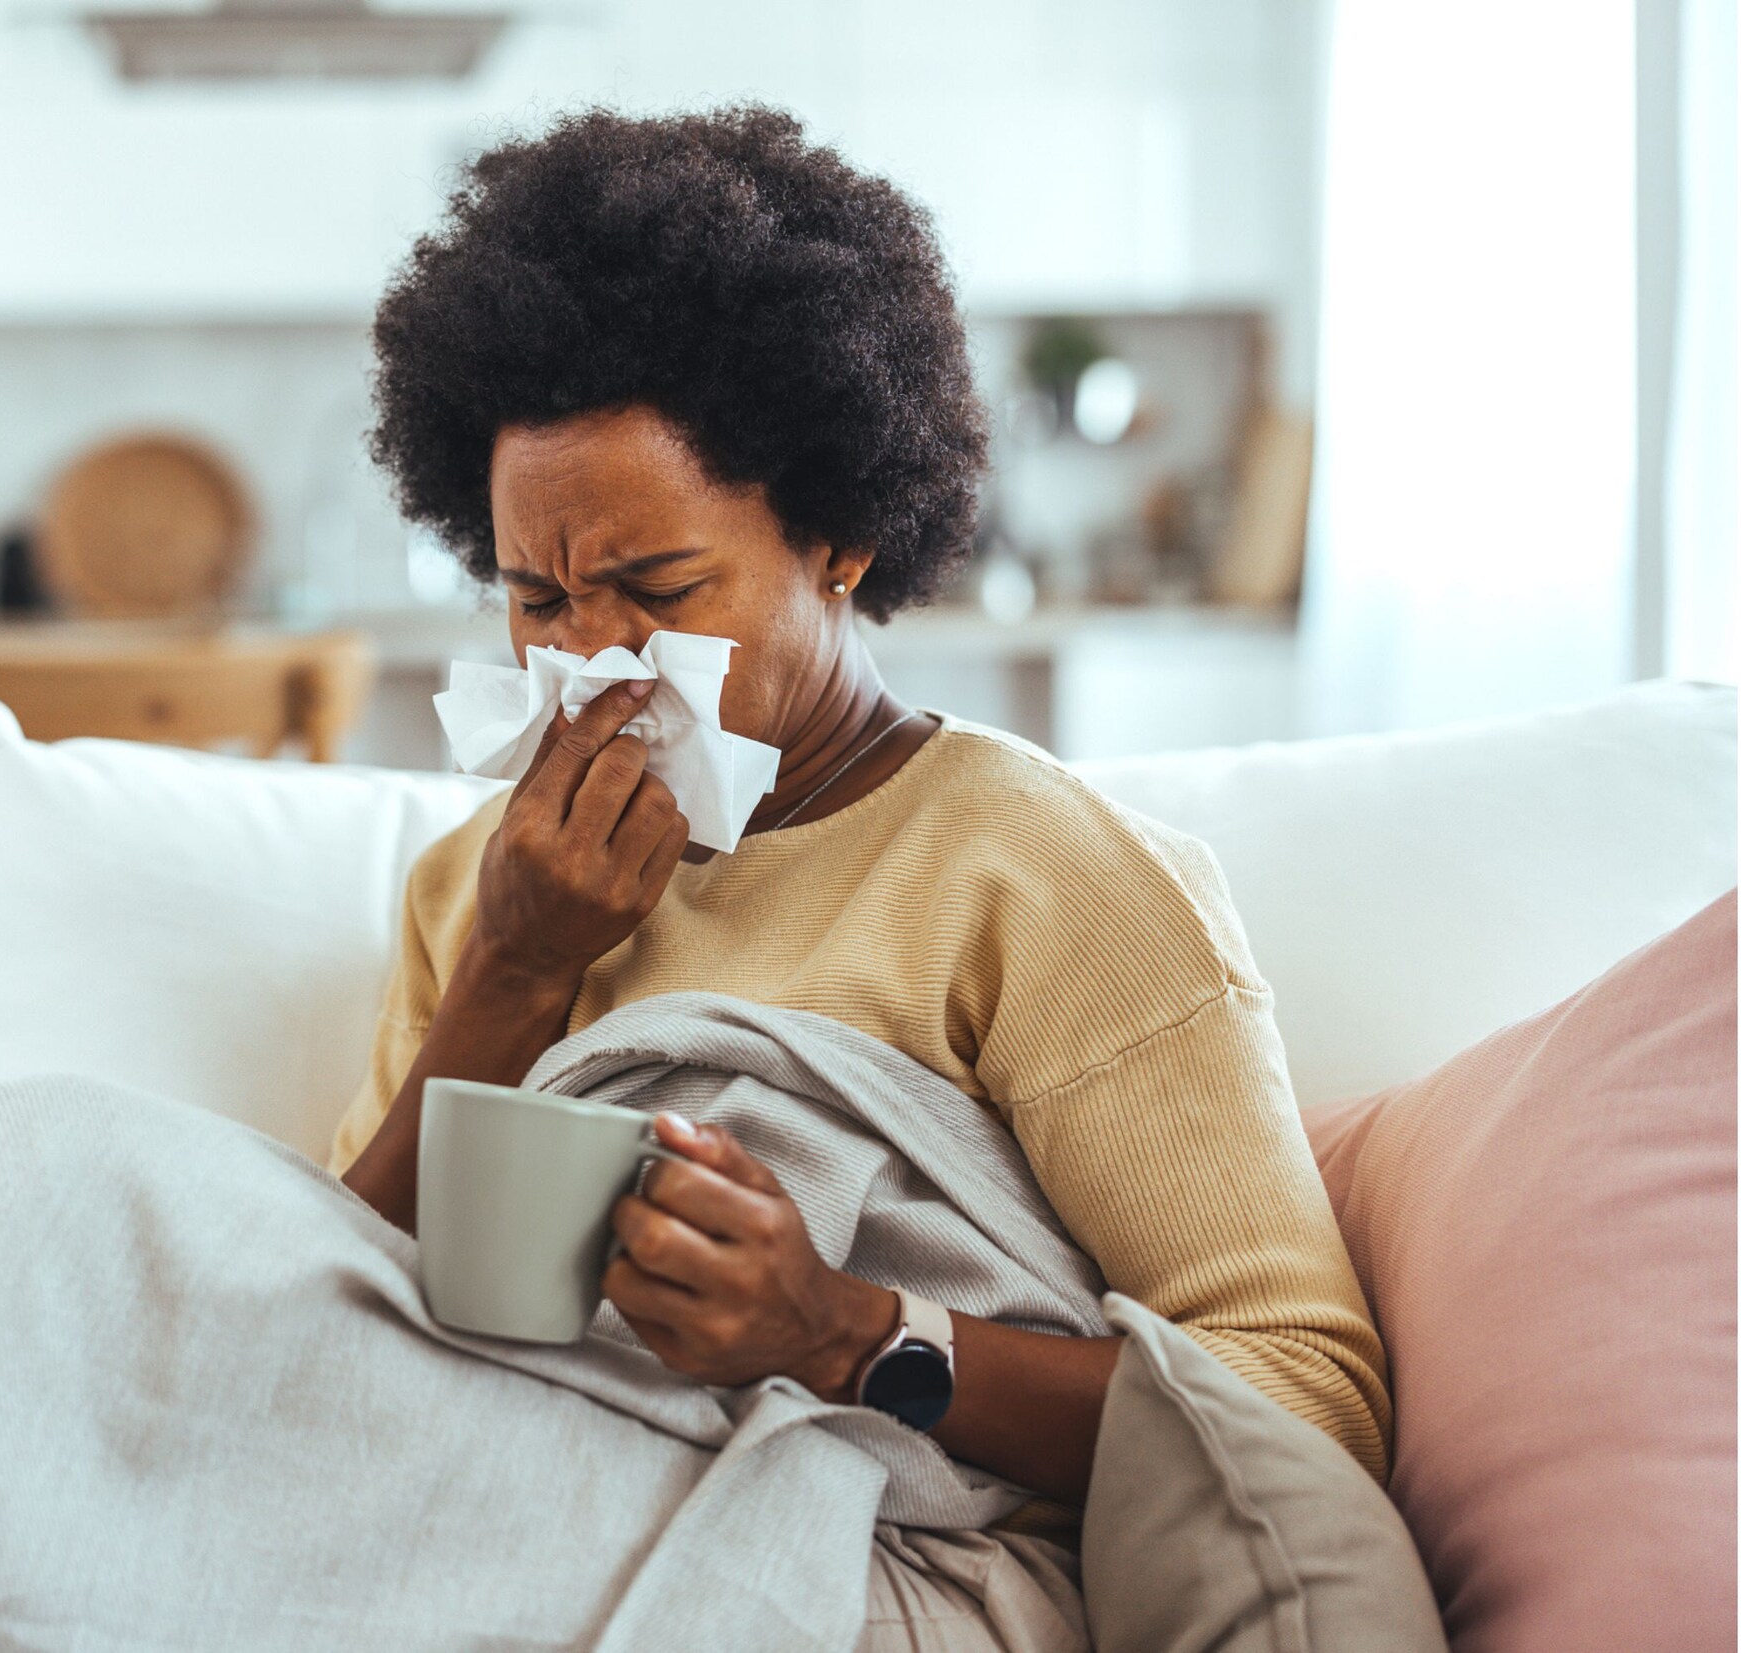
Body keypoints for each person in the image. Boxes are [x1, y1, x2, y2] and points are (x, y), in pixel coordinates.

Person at [332, 107, 1387, 1647]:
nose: (589, 661)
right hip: (489, 1526)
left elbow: (1299, 1403)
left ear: (836, 537)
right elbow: (312, 1322)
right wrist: (512, 968)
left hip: (865, 1570)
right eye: (534, 598)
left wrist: (847, 1331)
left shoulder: (1029, 869)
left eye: (658, 589)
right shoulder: (477, 891)